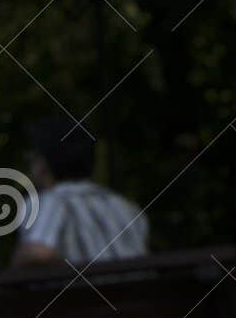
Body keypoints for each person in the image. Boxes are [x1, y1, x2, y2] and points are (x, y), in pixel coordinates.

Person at [13, 114, 148, 267]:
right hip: (135, 291)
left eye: (32, 156)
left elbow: (39, 253)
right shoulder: (126, 207)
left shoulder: (49, 203)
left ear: (42, 164)